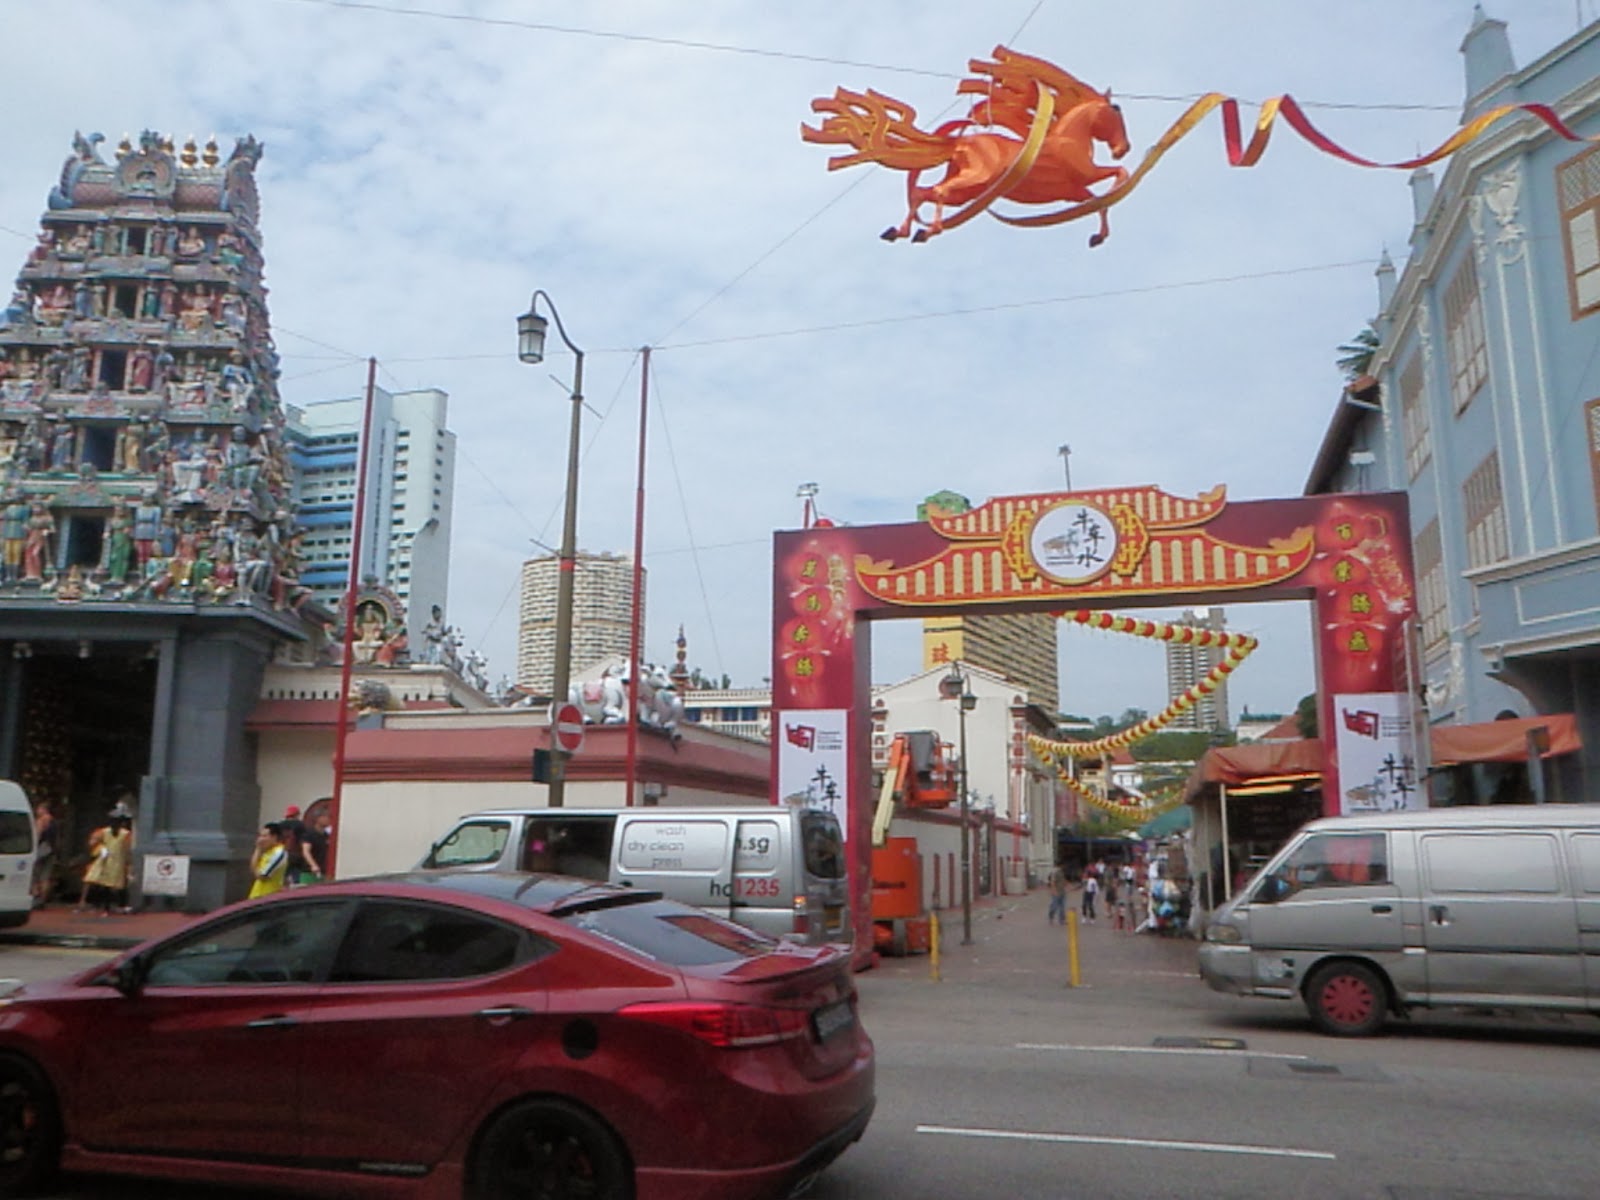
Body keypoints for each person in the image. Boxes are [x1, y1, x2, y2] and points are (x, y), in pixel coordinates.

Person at [80, 804, 135, 916]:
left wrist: (128, 862)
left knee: (119, 884)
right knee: (105, 884)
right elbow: (92, 842)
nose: (115, 825)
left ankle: (121, 905)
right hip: (107, 861)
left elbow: (127, 849)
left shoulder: (125, 834)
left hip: (119, 861)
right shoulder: (104, 832)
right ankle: (106, 907)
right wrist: (99, 847)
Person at [279, 805, 319, 885]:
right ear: (297, 814)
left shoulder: (280, 825)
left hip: (282, 853)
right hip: (296, 855)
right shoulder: (301, 825)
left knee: (282, 877)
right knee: (296, 878)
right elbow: (304, 840)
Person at [248, 823, 289, 898]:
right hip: (257, 896)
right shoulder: (268, 851)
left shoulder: (278, 853)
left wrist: (258, 849)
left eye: (264, 836)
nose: (260, 839)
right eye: (260, 836)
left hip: (266, 899)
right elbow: (253, 869)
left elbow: (262, 876)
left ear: (274, 837)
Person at [30, 802, 55, 907]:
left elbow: (37, 835)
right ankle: (43, 899)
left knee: (35, 874)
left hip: (40, 850)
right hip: (51, 850)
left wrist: (33, 847)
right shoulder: (53, 821)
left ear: (44, 809)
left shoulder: (41, 820)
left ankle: (36, 896)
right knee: (45, 876)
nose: (37, 811)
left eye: (39, 808)